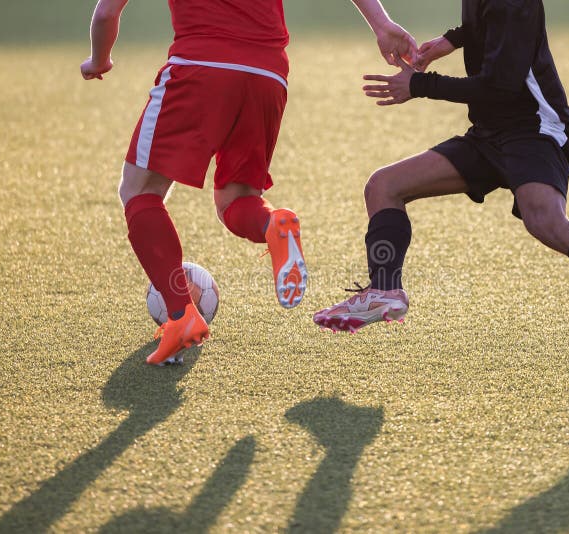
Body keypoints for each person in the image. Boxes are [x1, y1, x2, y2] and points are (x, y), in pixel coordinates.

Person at [312, 0, 569, 366]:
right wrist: (451, 40)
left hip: (535, 130)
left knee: (545, 220)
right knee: (384, 186)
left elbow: (500, 85)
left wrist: (419, 85)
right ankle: (384, 289)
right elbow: (486, 23)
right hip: (489, 133)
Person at [80, 0, 417, 365]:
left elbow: (105, 13)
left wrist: (99, 61)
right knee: (236, 197)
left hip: (200, 66)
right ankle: (271, 224)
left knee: (139, 190)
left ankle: (181, 315)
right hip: (268, 74)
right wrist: (381, 23)